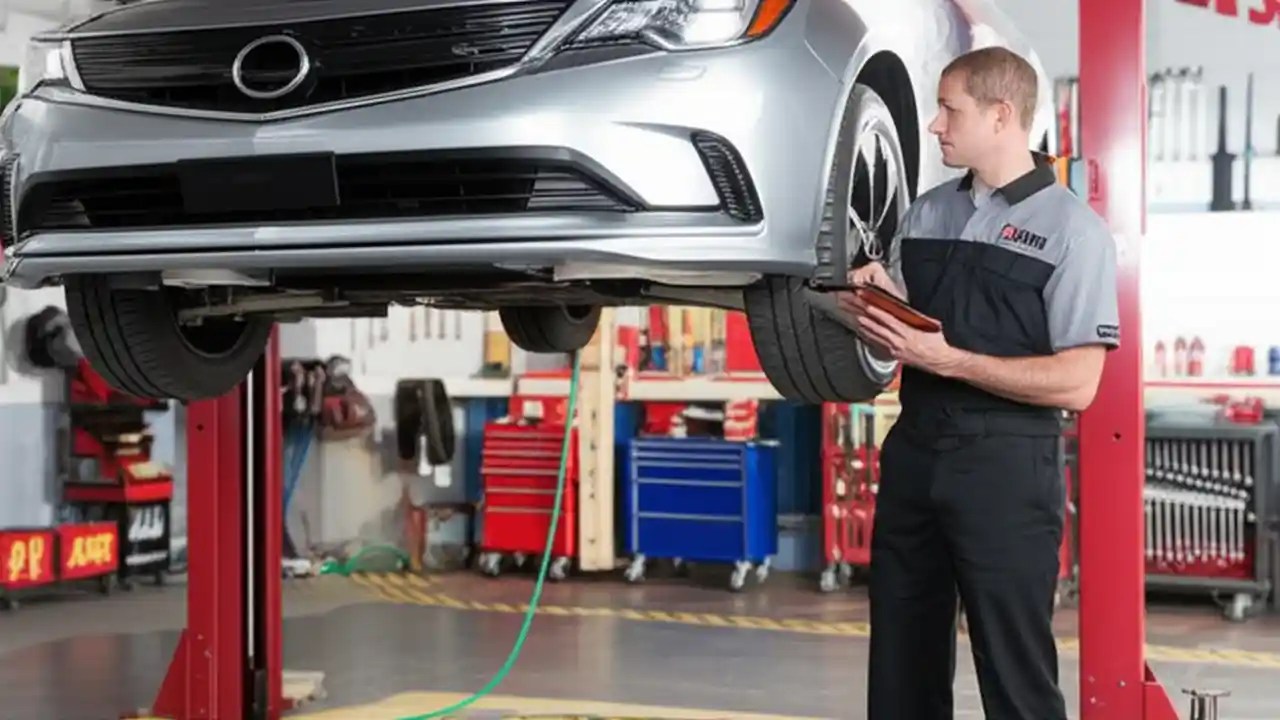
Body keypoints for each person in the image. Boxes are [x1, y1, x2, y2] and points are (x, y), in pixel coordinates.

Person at [838, 46, 1119, 720]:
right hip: (915, 452)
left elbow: (1079, 384)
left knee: (1015, 671)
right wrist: (876, 300)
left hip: (1008, 465)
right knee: (901, 663)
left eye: (948, 109)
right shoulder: (928, 212)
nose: (935, 125)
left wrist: (950, 361)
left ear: (1000, 115)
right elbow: (912, 325)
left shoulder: (1075, 233)